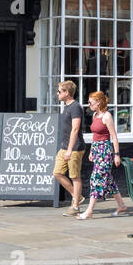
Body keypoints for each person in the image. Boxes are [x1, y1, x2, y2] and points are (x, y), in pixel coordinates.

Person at [78, 90, 128, 219]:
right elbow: (95, 136)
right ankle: (122, 205)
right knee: (109, 180)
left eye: (91, 102)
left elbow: (114, 137)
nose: (89, 104)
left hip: (105, 151)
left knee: (95, 179)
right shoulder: (95, 115)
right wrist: (91, 151)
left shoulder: (107, 116)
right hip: (97, 150)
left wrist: (116, 154)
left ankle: (89, 211)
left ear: (99, 102)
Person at [52, 81, 86, 214]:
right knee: (57, 173)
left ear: (67, 93)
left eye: (59, 91)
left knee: (75, 176)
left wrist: (70, 150)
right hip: (64, 146)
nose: (57, 93)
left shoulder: (75, 107)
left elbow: (75, 129)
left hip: (75, 148)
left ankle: (76, 206)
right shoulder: (66, 107)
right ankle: (77, 196)